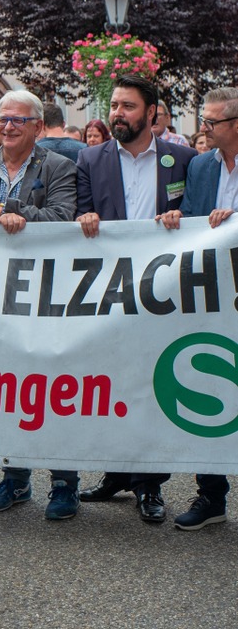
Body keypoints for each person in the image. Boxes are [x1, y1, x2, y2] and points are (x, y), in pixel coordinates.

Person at [0, 89, 81, 520]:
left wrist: (12, 212)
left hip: (48, 295)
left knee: (56, 390)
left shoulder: (61, 166)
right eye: (2, 118)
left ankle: (65, 484)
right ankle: (15, 478)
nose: (7, 126)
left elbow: (64, 218)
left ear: (38, 128)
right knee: (11, 389)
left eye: (17, 120)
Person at [76, 75, 196, 523]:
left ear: (151, 112)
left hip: (163, 294)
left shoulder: (182, 159)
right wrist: (82, 216)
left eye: (127, 106)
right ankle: (115, 473)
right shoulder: (90, 158)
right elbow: (77, 213)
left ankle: (149, 484)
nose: (117, 114)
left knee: (151, 386)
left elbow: (201, 216)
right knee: (111, 384)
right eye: (114, 106)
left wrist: (184, 216)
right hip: (109, 291)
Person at [156, 86, 238, 530]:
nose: (202, 130)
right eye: (203, 121)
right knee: (213, 386)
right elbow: (190, 217)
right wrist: (177, 221)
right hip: (212, 296)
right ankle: (212, 496)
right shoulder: (202, 165)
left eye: (211, 123)